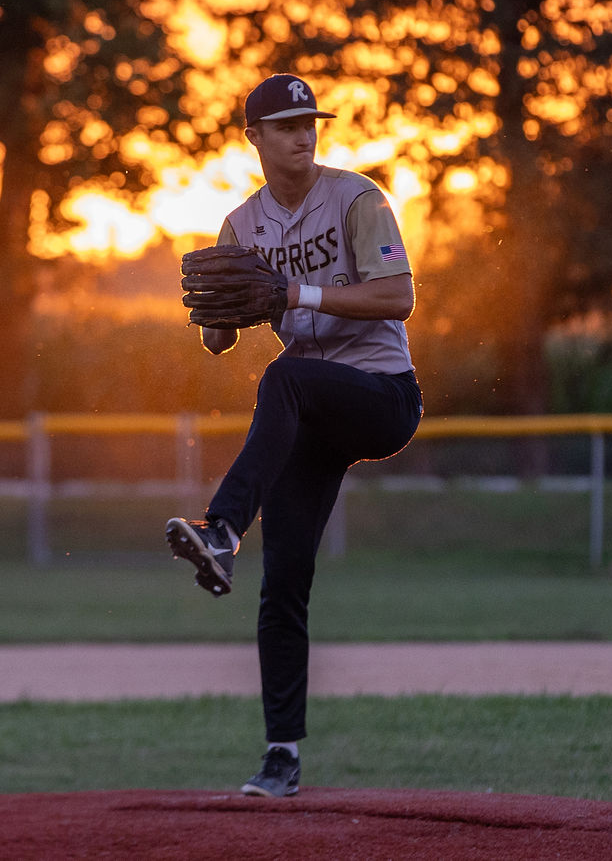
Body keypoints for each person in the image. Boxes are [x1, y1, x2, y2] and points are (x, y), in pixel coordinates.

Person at [165, 73, 424, 798]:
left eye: (309, 121)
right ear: (254, 137)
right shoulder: (241, 225)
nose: (302, 134)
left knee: (283, 376)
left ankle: (221, 528)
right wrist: (213, 315)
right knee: (283, 583)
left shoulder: (357, 198)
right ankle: (281, 755)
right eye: (285, 125)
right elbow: (220, 338)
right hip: (307, 413)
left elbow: (399, 295)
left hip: (381, 395)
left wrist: (290, 291)